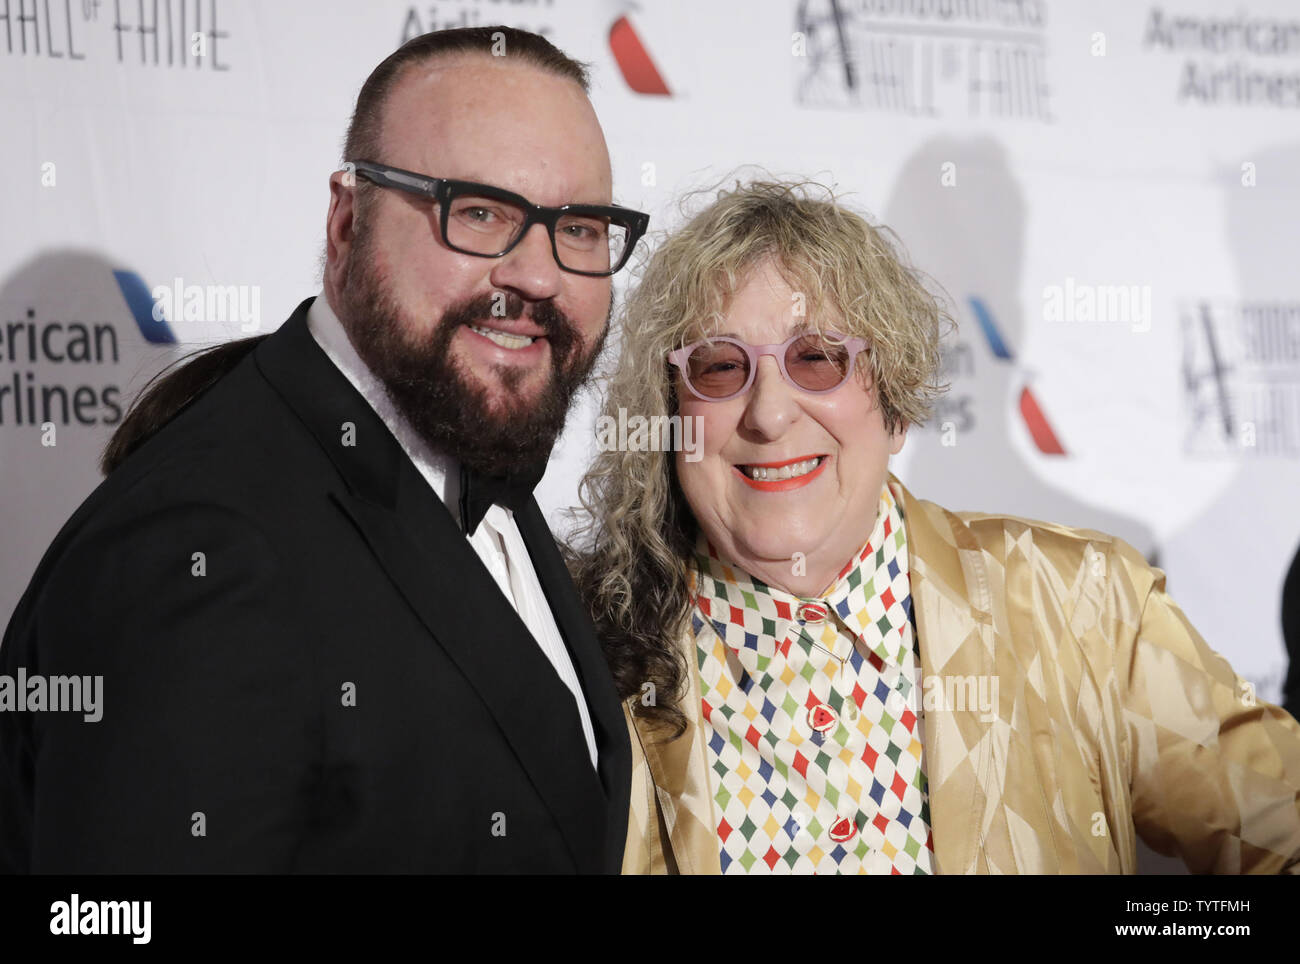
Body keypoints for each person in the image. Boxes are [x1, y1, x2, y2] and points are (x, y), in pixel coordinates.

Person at [0, 26, 642, 873]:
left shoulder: (471, 440)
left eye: (582, 228)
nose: (538, 276)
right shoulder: (198, 552)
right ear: (347, 222)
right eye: (480, 214)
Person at [570, 178, 1300, 874]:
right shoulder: (578, 650)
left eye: (817, 359)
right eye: (720, 368)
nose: (769, 414)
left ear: (896, 402)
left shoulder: (1086, 611)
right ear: (671, 418)